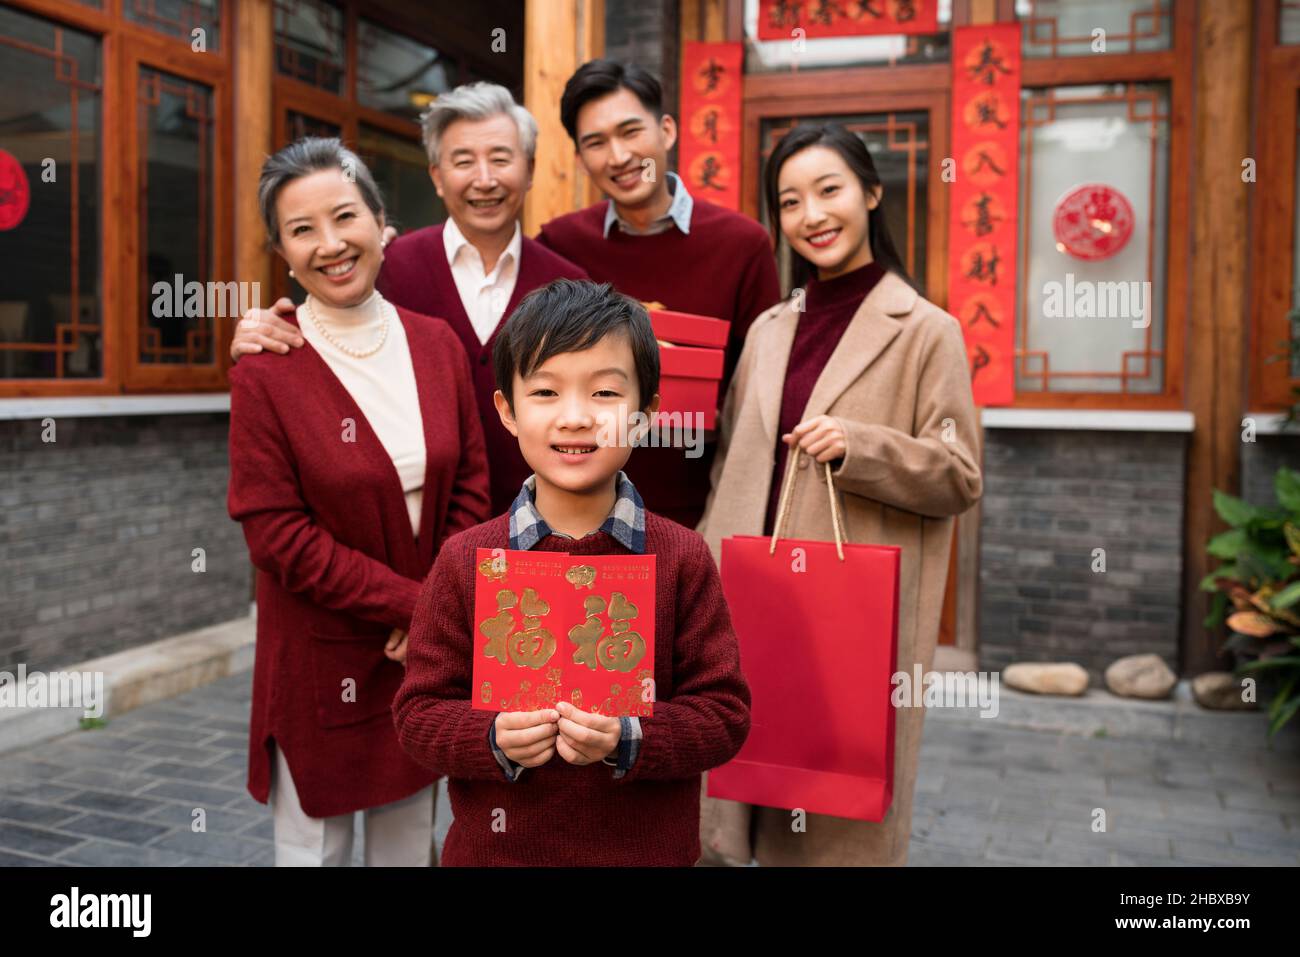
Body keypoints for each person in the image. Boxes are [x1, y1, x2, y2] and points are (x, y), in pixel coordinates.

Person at [696, 124, 983, 867]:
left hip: (845, 615)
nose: (812, 215)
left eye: (829, 190)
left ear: (871, 193)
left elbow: (959, 474)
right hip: (746, 604)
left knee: (828, 828)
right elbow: (731, 462)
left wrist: (863, 448)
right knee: (728, 811)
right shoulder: (767, 329)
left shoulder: (927, 331)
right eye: (790, 201)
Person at [393, 279, 751, 866]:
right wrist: (491, 737)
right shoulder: (466, 560)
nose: (577, 417)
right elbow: (418, 713)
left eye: (606, 392)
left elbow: (724, 714)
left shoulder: (682, 558)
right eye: (546, 392)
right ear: (507, 410)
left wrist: (629, 737)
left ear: (646, 414)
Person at [227, 137, 490, 866]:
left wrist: (435, 606)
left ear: (381, 224)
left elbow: (469, 482)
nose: (331, 243)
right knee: (318, 849)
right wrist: (419, 607)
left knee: (409, 846)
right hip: (321, 656)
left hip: (417, 654)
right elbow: (277, 536)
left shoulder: (437, 345)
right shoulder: (267, 368)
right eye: (302, 229)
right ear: (281, 252)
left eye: (345, 216)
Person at [229, 83, 587, 515]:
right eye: (463, 161)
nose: (484, 179)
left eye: (500, 158)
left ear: (529, 170)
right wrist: (259, 332)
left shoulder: (569, 285)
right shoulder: (384, 267)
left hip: (542, 526)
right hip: (426, 534)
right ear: (436, 176)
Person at [536, 60, 782, 528]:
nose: (618, 156)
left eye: (631, 132)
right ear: (579, 159)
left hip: (705, 513)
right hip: (579, 519)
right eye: (596, 143)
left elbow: (762, 394)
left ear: (666, 130)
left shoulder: (742, 244)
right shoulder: (559, 244)